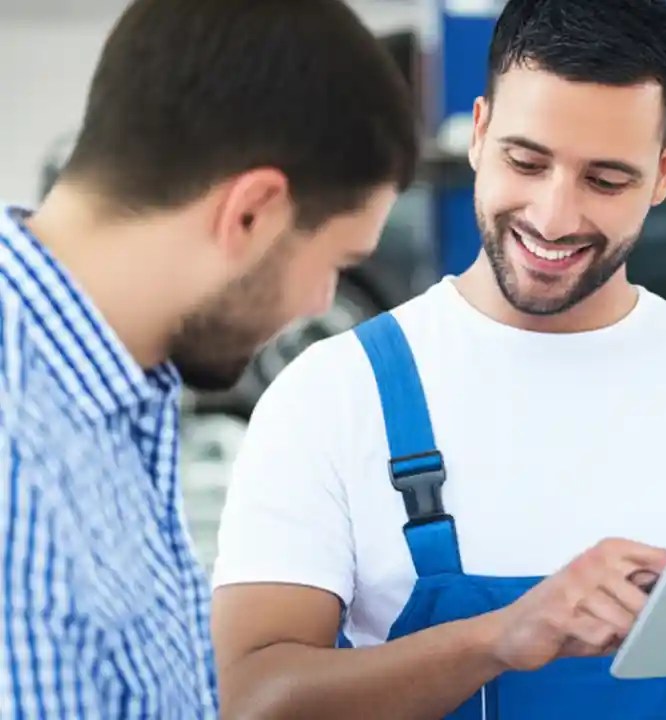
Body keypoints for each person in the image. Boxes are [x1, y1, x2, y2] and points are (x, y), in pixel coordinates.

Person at [210, 0, 666, 718]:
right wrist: (500, 639)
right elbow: (251, 700)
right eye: (526, 161)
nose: (554, 217)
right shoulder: (332, 394)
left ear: (665, 170)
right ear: (478, 133)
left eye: (606, 180)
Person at [0, 0, 418, 716]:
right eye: (336, 262)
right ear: (250, 212)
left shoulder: (110, 394)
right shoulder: (20, 457)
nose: (322, 304)